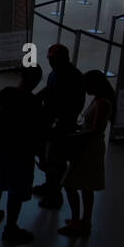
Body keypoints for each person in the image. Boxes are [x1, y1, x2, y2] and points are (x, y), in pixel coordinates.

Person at [0, 65, 44, 244]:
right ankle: (10, 228)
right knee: (16, 191)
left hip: (2, 148)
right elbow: (36, 132)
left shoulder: (5, 93)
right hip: (21, 153)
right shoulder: (34, 103)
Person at [58, 70, 115, 237]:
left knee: (70, 184)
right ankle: (84, 221)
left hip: (89, 148)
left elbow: (95, 130)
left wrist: (72, 136)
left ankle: (76, 221)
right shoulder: (101, 100)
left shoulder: (101, 103)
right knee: (86, 186)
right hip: (92, 147)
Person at [35, 44, 86, 209]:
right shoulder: (57, 72)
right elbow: (50, 89)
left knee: (55, 160)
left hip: (61, 125)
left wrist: (58, 120)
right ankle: (49, 186)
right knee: (47, 157)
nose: (51, 62)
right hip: (50, 122)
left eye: (54, 59)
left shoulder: (73, 77)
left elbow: (75, 104)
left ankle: (55, 195)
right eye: (50, 59)